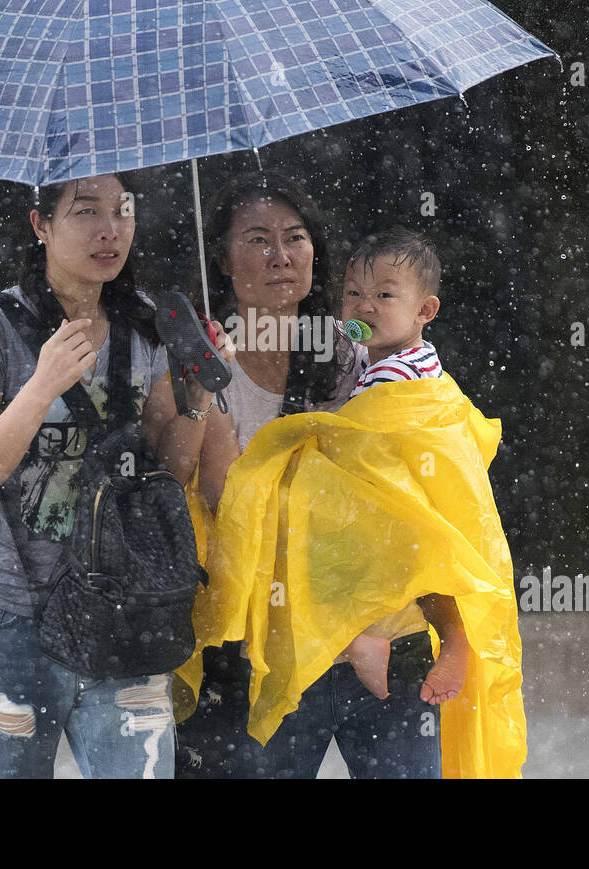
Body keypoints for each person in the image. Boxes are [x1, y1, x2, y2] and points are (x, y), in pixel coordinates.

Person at [0, 172, 231, 778]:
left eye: (122, 211)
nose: (110, 230)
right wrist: (42, 384)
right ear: (40, 225)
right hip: (16, 623)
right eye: (85, 212)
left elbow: (168, 471)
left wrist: (200, 390)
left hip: (129, 611)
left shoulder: (147, 322)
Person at [171, 172, 443, 779]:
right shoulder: (206, 362)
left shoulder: (354, 348)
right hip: (259, 648)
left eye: (295, 237)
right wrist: (203, 394)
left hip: (377, 637)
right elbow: (226, 501)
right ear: (221, 257)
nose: (280, 255)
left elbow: (406, 472)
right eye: (257, 239)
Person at [337, 226, 471, 707]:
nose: (364, 306)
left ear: (425, 310)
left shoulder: (391, 374)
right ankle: (451, 637)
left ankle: (361, 637)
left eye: (384, 295)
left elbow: (356, 445)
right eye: (352, 293)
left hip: (390, 500)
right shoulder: (415, 358)